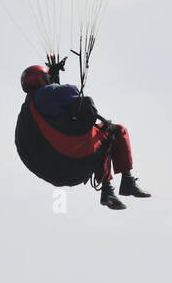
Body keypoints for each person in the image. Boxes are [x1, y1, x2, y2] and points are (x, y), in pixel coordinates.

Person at [16, 64, 150, 210]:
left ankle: (107, 192)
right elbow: (73, 91)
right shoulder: (45, 94)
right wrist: (54, 84)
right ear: (42, 79)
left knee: (99, 143)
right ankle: (127, 182)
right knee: (116, 131)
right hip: (70, 157)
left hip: (54, 168)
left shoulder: (30, 108)